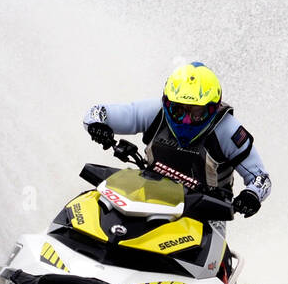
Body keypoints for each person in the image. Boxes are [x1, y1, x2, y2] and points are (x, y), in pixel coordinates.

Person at [81, 61, 271, 217]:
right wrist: (98, 127)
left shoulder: (228, 130)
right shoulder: (155, 112)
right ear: (166, 102)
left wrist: (251, 196)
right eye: (178, 110)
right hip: (147, 199)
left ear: (213, 108)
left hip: (206, 214)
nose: (186, 120)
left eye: (196, 112)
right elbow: (97, 113)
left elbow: (261, 178)